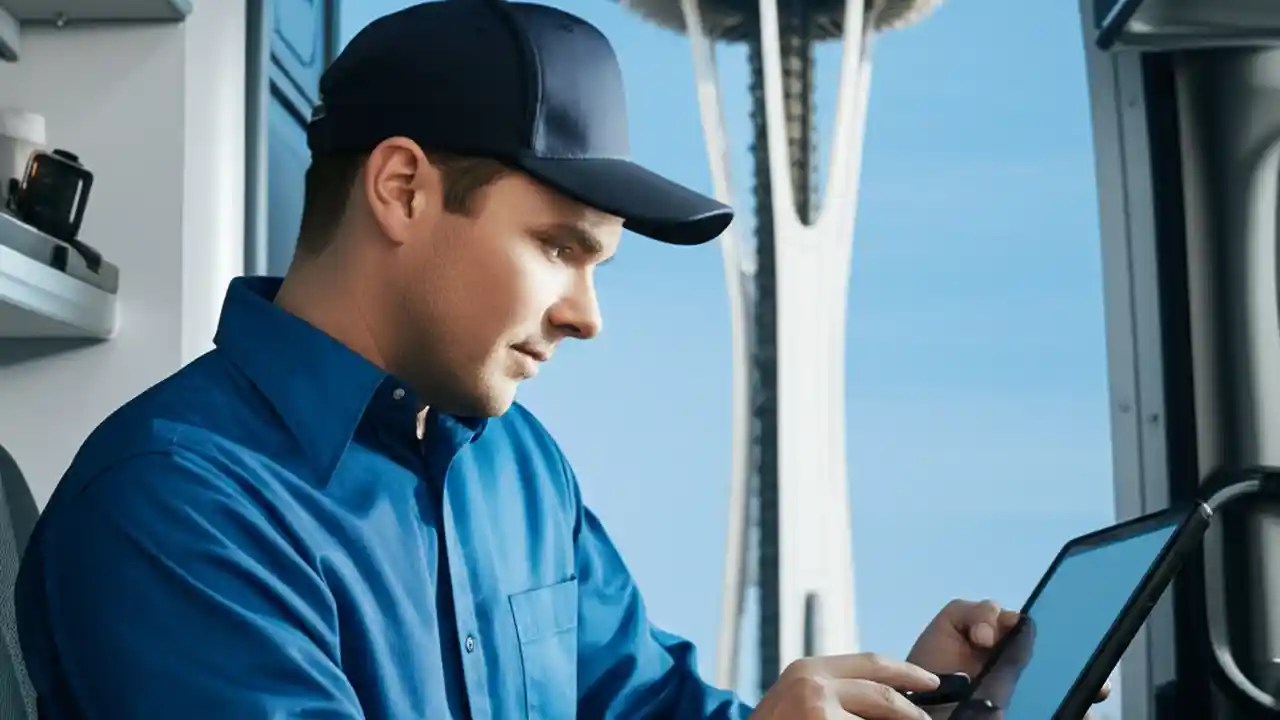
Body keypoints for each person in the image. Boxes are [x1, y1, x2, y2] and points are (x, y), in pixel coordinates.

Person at [13, 1, 1092, 718]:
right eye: (559, 248)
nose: (586, 316)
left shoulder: (516, 469)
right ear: (401, 189)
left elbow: (653, 708)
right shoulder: (176, 504)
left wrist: (898, 698)